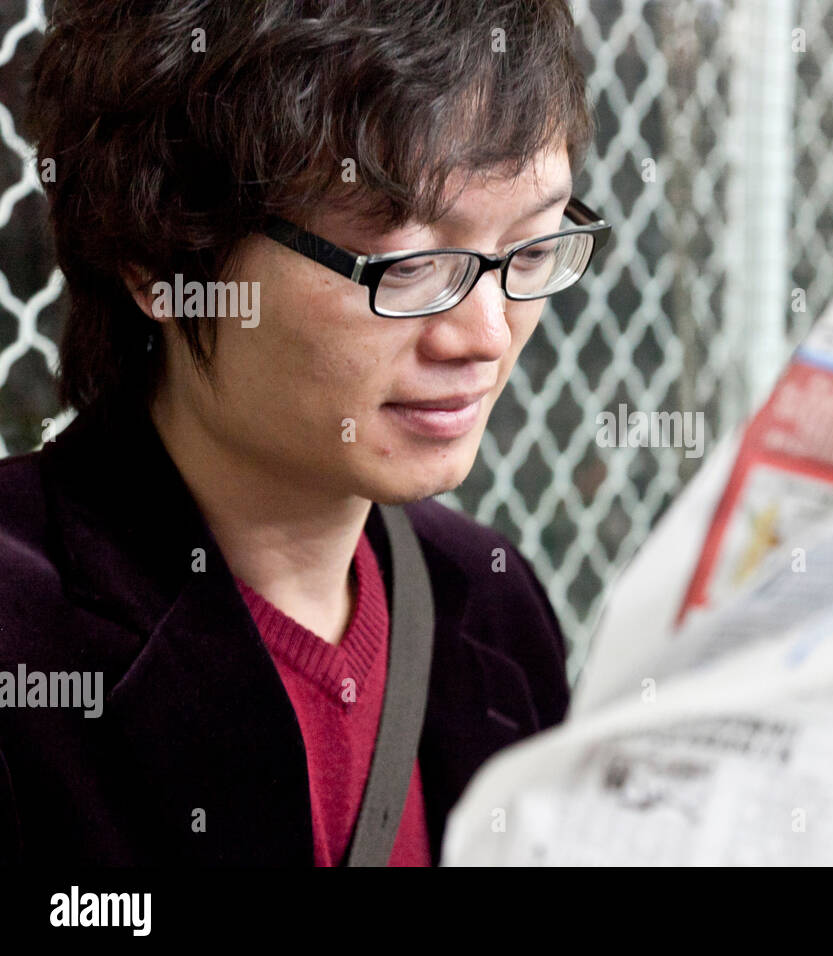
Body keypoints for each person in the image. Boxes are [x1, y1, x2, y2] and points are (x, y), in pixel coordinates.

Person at [0, 0, 609, 865]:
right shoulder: (25, 645)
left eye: (532, 249)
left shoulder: (493, 607)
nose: (483, 335)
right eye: (408, 266)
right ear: (161, 261)